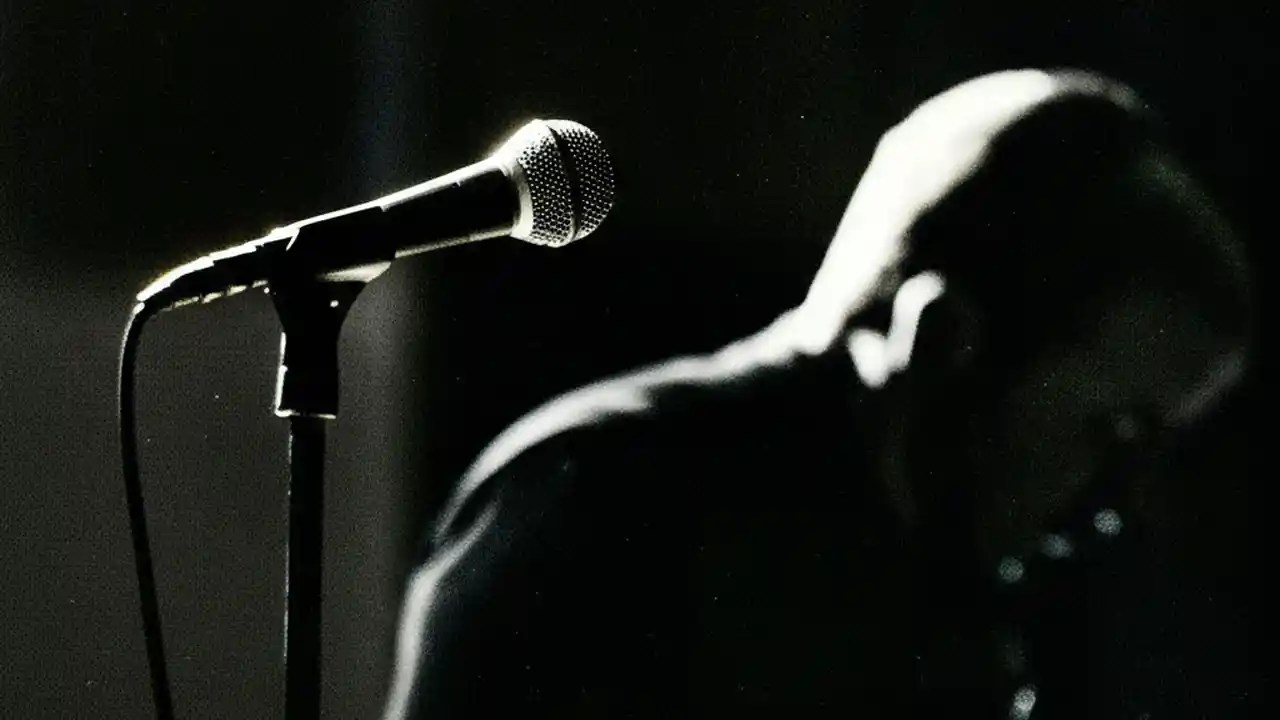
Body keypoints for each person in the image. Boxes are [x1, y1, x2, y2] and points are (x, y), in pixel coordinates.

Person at [380, 69, 1256, 718]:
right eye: (1113, 431)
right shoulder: (597, 499)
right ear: (943, 338)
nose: (1123, 503)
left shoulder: (963, 604)